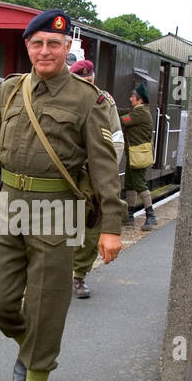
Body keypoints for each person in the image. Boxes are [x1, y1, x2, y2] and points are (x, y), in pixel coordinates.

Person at [0, 10, 123, 381]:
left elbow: (104, 167)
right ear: (28, 47)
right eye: (38, 43)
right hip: (9, 205)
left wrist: (110, 226)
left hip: (58, 209)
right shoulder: (9, 91)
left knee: (46, 302)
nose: (45, 51)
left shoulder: (87, 99)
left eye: (54, 44)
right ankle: (29, 347)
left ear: (66, 48)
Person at [68, 59, 124, 299]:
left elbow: (117, 138)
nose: (87, 86)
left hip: (91, 175)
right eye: (83, 81)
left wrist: (100, 173)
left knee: (91, 227)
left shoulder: (103, 101)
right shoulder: (60, 97)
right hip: (64, 174)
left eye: (90, 81)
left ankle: (78, 276)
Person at [120, 83, 157, 228]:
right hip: (134, 154)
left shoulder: (140, 113)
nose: (130, 99)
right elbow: (123, 112)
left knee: (139, 184)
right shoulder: (138, 111)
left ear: (140, 100)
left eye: (132, 97)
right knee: (130, 183)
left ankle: (151, 215)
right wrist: (109, 106)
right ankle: (129, 215)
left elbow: (124, 120)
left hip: (138, 154)